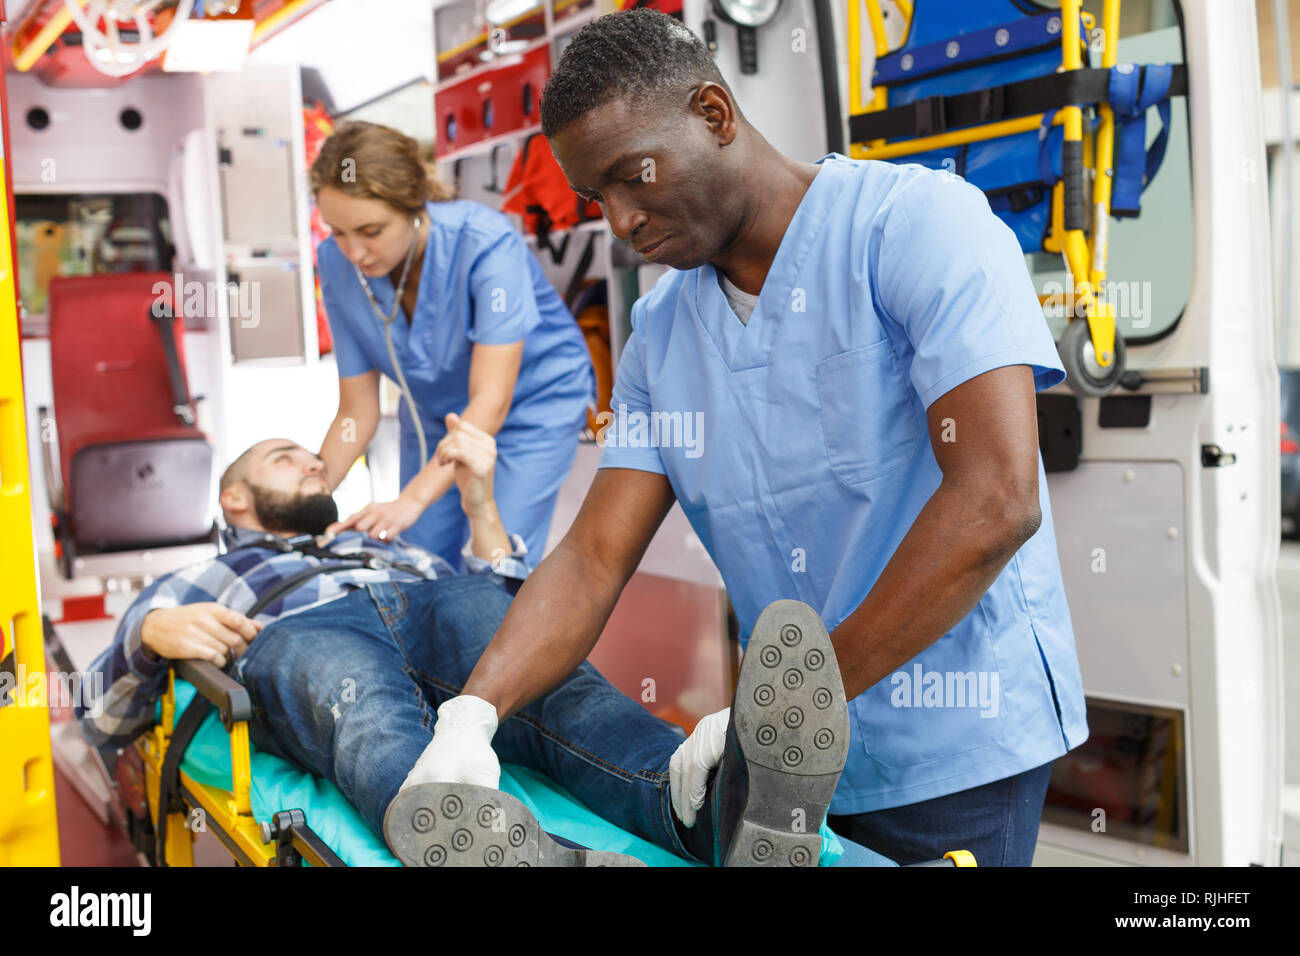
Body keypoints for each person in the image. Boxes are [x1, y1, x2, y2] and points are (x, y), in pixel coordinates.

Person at [402, 9, 1091, 867]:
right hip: (779, 760)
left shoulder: (916, 229)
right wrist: (473, 715)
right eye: (595, 198)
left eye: (633, 176)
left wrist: (780, 704)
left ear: (715, 115)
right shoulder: (660, 333)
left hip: (947, 744)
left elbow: (996, 499)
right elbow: (591, 558)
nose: (618, 220)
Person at [76, 418, 862, 867]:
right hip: (300, 628)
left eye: (318, 458)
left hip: (436, 599)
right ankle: (524, 857)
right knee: (370, 720)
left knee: (567, 698)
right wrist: (147, 639)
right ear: (235, 496)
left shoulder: (393, 542)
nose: (317, 461)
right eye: (289, 458)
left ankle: (723, 812)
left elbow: (527, 606)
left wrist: (480, 502)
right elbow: (96, 720)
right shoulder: (202, 576)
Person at [310, 121, 594, 570]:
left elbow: (490, 402)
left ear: (414, 205)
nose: (355, 253)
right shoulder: (336, 264)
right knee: (419, 563)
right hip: (432, 414)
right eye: (338, 232)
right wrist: (306, 497)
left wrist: (410, 499)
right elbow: (355, 413)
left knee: (494, 561)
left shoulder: (486, 244)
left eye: (371, 230)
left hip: (525, 409)